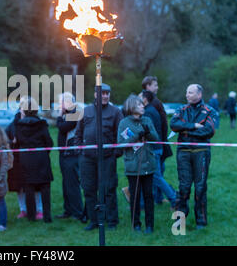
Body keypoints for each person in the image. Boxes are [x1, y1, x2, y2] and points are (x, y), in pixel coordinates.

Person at [74, 83, 123, 231]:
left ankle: (112, 221)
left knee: (108, 189)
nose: (106, 96)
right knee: (89, 189)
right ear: (96, 94)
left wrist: (116, 153)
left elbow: (120, 134)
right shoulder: (85, 111)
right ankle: (93, 220)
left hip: (107, 158)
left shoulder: (115, 112)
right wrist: (80, 151)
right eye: (103, 93)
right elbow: (78, 133)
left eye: (108, 93)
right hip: (87, 159)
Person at [170, 84, 218, 229]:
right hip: (183, 152)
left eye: (190, 92)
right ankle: (179, 221)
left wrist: (185, 131)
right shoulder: (181, 109)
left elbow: (209, 131)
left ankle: (201, 221)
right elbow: (173, 124)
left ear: (199, 94)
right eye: (186, 92)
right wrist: (194, 126)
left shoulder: (210, 111)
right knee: (183, 187)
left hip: (201, 152)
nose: (187, 95)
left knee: (200, 187)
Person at [118, 94, 159, 234]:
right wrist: (136, 136)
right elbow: (121, 144)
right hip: (133, 167)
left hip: (148, 164)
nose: (143, 106)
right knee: (135, 197)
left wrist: (148, 133)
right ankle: (135, 224)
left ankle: (150, 225)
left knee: (149, 196)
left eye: (143, 104)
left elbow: (156, 138)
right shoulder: (124, 123)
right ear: (132, 106)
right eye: (140, 104)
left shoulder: (147, 120)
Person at [14, 96, 53, 223]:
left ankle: (31, 216)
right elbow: (49, 142)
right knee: (45, 187)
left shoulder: (19, 125)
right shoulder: (42, 124)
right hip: (41, 157)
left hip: (26, 158)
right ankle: (47, 216)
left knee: (28, 187)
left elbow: (18, 141)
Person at [5, 98, 44, 220]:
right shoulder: (13, 124)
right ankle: (23, 209)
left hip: (34, 159)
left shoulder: (38, 122)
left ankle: (39, 210)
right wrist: (13, 142)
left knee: (37, 185)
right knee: (19, 186)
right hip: (17, 159)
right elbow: (7, 139)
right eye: (23, 107)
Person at [139, 90, 177, 208]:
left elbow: (148, 131)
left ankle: (174, 198)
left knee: (156, 177)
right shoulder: (152, 110)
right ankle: (142, 203)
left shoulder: (148, 112)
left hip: (153, 149)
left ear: (145, 99)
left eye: (140, 97)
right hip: (156, 147)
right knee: (151, 176)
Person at [55, 92, 84, 221]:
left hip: (71, 154)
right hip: (64, 154)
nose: (59, 105)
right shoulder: (68, 114)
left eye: (61, 102)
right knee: (66, 184)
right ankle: (68, 210)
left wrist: (60, 116)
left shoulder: (75, 114)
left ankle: (77, 212)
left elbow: (62, 127)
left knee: (72, 184)